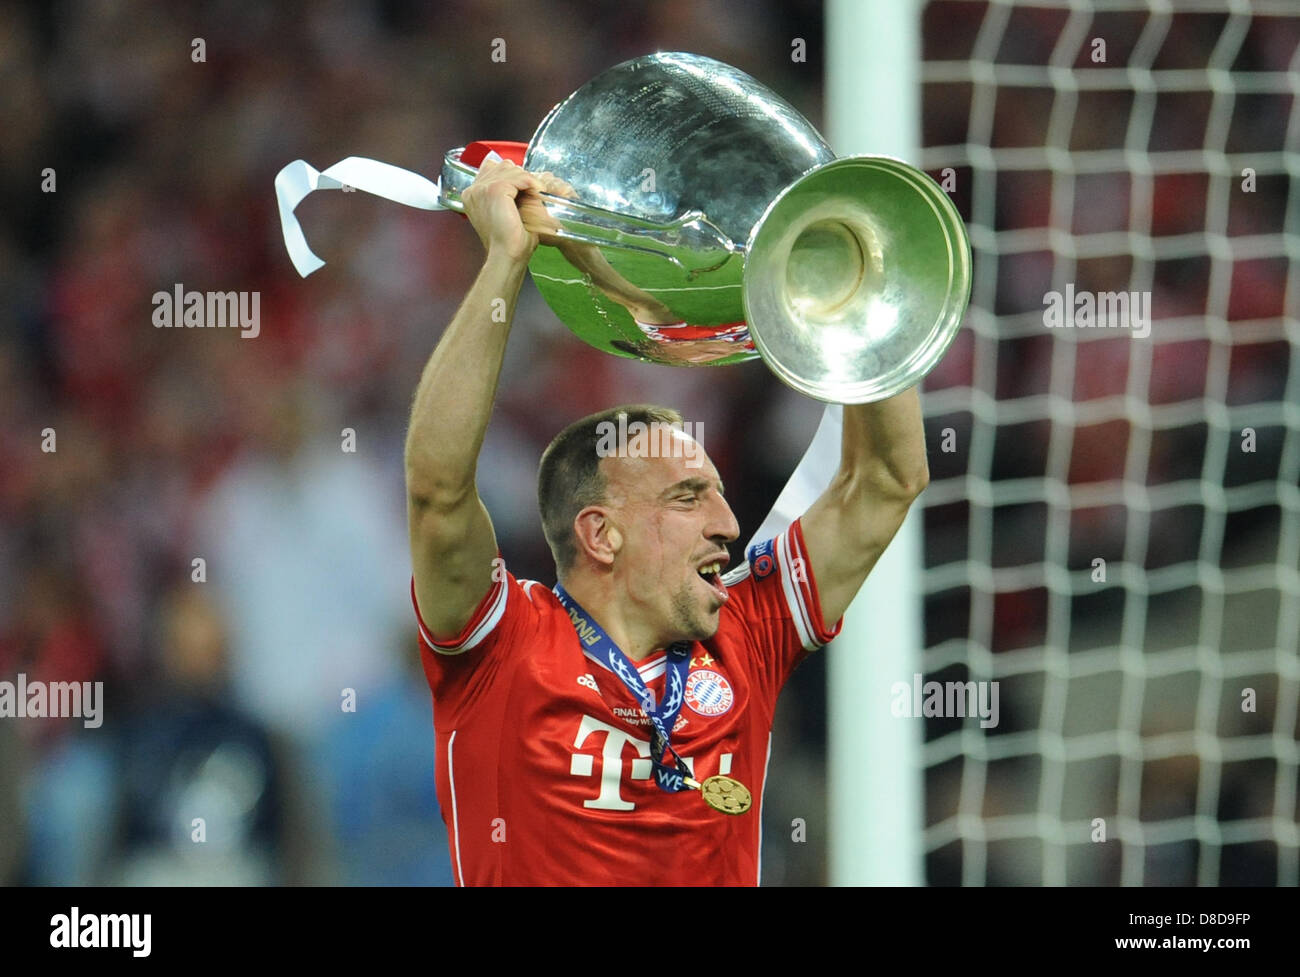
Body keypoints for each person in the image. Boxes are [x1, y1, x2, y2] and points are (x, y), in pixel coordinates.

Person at [405, 157, 929, 885]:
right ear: (600, 532)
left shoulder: (746, 634)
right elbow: (437, 489)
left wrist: (858, 297)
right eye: (687, 497)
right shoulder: (503, 644)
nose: (726, 522)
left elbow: (887, 479)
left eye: (715, 492)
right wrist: (504, 262)